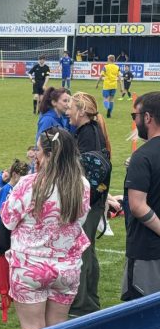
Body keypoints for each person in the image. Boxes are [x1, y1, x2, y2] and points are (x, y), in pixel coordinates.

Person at [1, 128, 90, 329]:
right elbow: (80, 220)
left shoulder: (28, 184)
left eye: (39, 150)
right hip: (66, 267)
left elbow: (7, 221)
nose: (35, 155)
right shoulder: (82, 185)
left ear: (49, 154)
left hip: (30, 266)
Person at [67, 92, 111, 316]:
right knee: (87, 249)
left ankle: (81, 304)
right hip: (94, 200)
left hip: (89, 202)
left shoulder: (87, 134)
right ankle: (89, 300)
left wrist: (81, 201)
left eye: (71, 107)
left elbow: (87, 171)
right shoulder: (89, 131)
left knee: (81, 250)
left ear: (81, 111)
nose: (67, 111)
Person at [122, 92, 160, 300]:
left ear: (148, 117)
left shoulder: (143, 156)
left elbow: (137, 205)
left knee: (145, 319)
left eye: (134, 116)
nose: (135, 121)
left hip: (148, 252)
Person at [0, 159, 30, 231]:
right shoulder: (7, 190)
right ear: (14, 175)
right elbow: (3, 211)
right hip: (0, 224)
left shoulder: (18, 188)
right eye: (23, 176)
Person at [95, 54, 121, 118]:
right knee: (111, 99)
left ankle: (108, 108)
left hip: (107, 85)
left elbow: (101, 76)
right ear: (114, 60)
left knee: (105, 99)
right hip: (114, 85)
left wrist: (97, 84)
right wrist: (121, 87)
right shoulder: (117, 67)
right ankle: (110, 112)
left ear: (109, 59)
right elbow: (119, 77)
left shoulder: (105, 67)